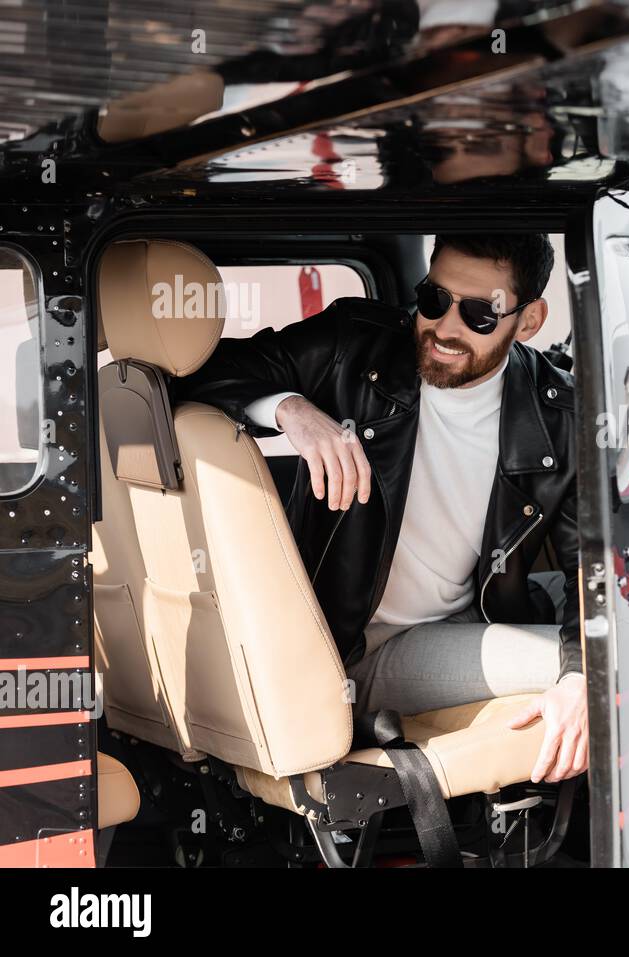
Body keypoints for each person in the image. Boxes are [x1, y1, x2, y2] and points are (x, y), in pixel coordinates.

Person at [173, 233, 587, 784]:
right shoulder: (354, 346)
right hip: (367, 648)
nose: (444, 328)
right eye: (434, 300)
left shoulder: (558, 413)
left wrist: (581, 679)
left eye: (480, 315)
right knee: (616, 664)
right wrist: (290, 408)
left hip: (480, 613)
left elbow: (598, 562)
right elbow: (194, 371)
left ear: (529, 320)